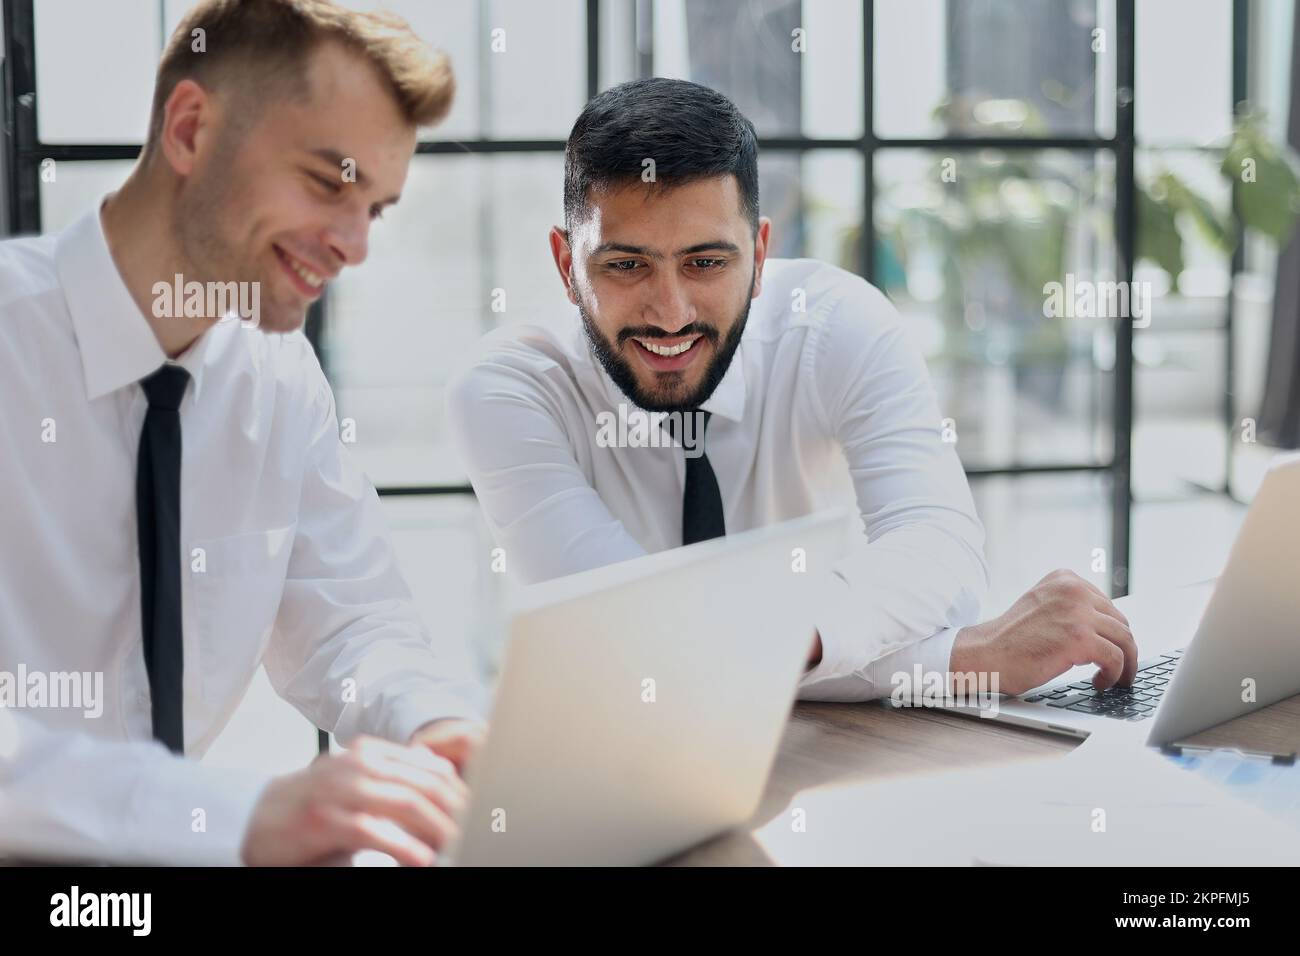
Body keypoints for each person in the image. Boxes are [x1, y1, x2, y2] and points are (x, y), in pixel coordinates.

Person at [447, 78, 1138, 703]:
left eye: (706, 262)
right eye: (627, 265)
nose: (671, 312)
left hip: (842, 749)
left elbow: (938, 553)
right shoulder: (508, 389)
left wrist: (782, 644)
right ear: (566, 264)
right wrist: (961, 661)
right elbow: (641, 645)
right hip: (621, 748)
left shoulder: (837, 323)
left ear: (759, 256)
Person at [0, 0, 484, 867]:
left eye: (374, 208)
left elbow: (349, 622)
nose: (355, 246)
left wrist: (434, 725)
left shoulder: (277, 377)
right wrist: (239, 814)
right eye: (328, 183)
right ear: (190, 131)